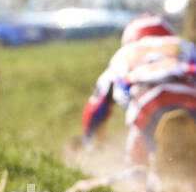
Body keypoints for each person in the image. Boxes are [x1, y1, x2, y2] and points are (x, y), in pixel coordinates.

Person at [82, 13, 196, 179]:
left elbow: (96, 107)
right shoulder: (185, 46)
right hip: (190, 99)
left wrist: (90, 143)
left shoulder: (123, 55)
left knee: (140, 168)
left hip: (147, 105)